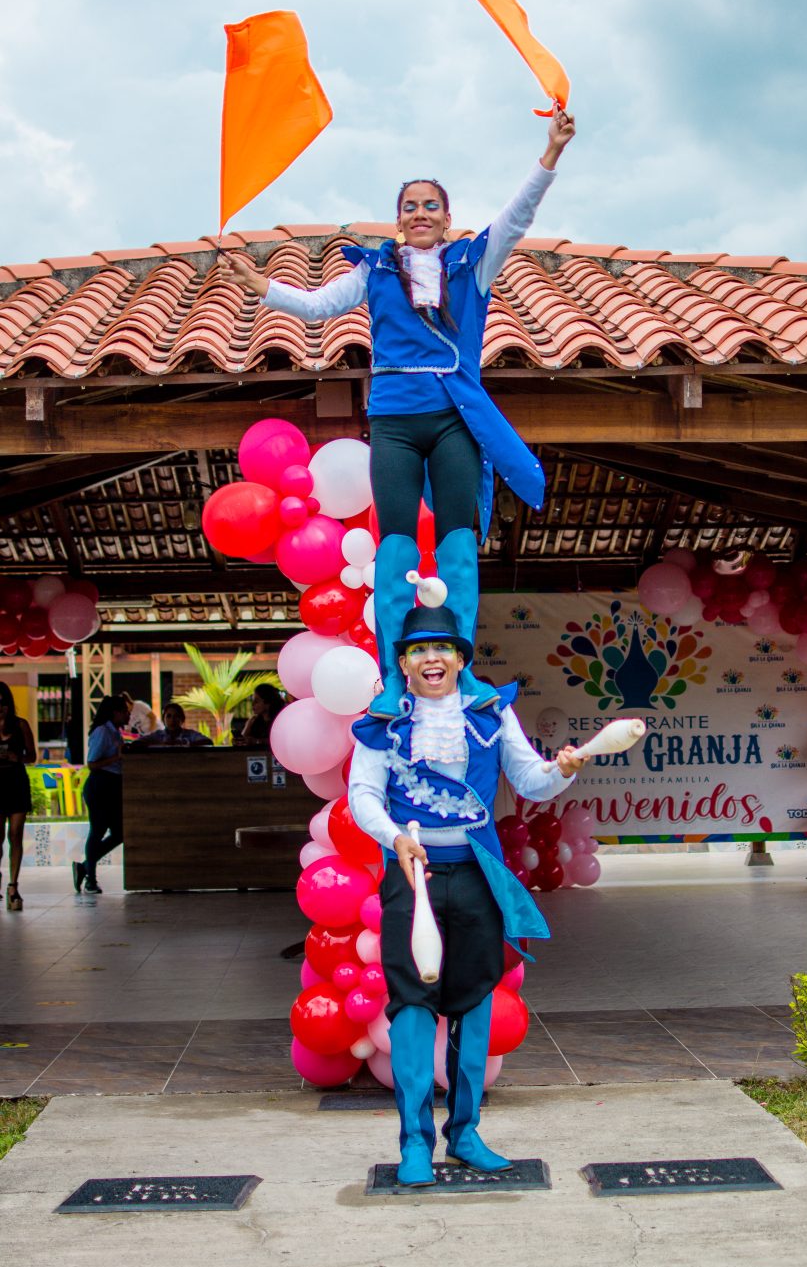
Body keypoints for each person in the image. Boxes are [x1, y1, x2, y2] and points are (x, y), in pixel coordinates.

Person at [220, 107, 576, 716]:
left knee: (460, 548)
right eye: (409, 206)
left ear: (447, 217)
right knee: (396, 550)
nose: (419, 214)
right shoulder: (376, 269)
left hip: (453, 419)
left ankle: (462, 674)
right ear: (398, 219)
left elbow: (517, 219)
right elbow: (315, 306)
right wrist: (262, 287)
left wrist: (550, 154)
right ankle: (391, 676)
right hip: (394, 422)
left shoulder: (472, 263)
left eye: (430, 205)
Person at [348, 593, 589, 1187]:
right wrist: (393, 839)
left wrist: (562, 769)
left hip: (477, 876)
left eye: (443, 649)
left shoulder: (490, 714)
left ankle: (465, 1132)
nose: (432, 659)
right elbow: (363, 796)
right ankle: (412, 1142)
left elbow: (529, 777)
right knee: (410, 1003)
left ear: (460, 658)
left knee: (475, 998)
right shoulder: (382, 723)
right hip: (413, 878)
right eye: (419, 650)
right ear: (404, 663)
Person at [73, 695, 129, 895]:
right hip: (100, 785)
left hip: (113, 785)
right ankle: (90, 879)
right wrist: (118, 757)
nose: (128, 713)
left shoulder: (116, 733)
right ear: (115, 712)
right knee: (97, 831)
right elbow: (92, 763)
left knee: (119, 833)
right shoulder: (102, 732)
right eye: (124, 710)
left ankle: (85, 867)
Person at [0, 682, 36, 911]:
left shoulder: (20, 725)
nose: (0, 707)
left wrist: (17, 758)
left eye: (3, 702)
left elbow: (32, 755)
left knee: (16, 834)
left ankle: (13, 886)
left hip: (16, 782)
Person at [132, 702, 213, 748]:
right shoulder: (158, 735)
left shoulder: (190, 735)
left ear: (182, 719)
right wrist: (160, 745)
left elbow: (208, 741)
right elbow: (138, 743)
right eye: (169, 716)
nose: (172, 719)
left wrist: (184, 744)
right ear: (164, 719)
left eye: (176, 716)